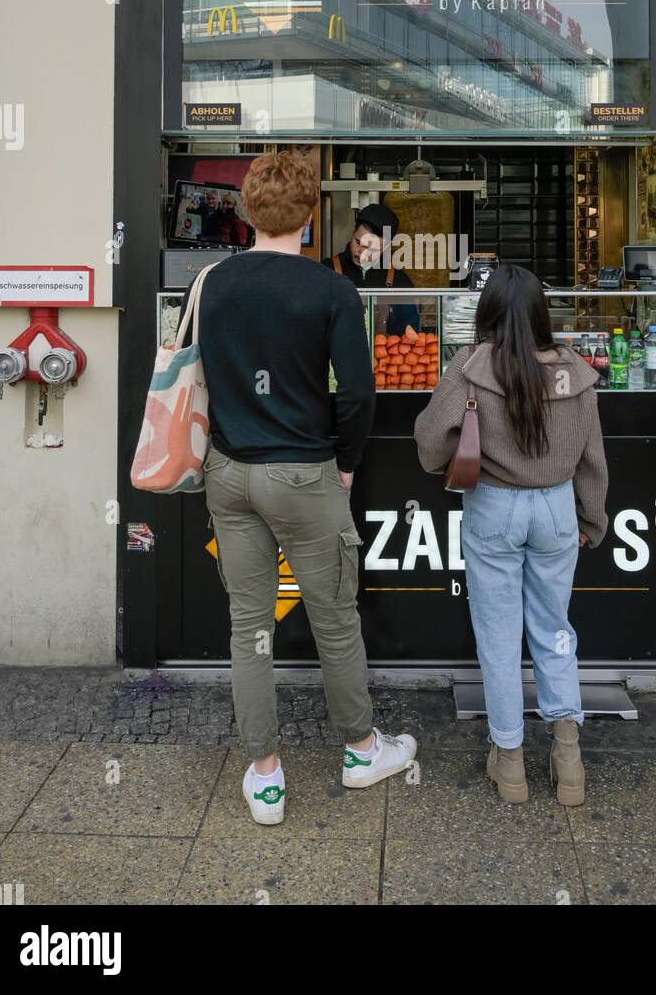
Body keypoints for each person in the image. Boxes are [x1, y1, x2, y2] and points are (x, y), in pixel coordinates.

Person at [179, 150, 417, 826]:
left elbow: (196, 373)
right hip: (302, 471)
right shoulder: (330, 291)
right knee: (334, 620)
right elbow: (358, 394)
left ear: (247, 212)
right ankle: (361, 750)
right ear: (310, 217)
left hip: (227, 473)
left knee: (248, 629)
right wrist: (343, 461)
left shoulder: (211, 284)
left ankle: (265, 778)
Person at [413, 263, 609, 808]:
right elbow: (593, 459)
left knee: (498, 640)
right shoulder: (577, 371)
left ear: (488, 313)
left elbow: (430, 443)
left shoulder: (471, 365)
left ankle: (511, 764)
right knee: (554, 630)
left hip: (494, 509)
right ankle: (569, 762)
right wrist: (591, 520)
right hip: (557, 509)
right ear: (543, 313)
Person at [323, 202, 419, 338]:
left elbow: (411, 334)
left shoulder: (399, 280)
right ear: (353, 232)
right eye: (358, 243)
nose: (362, 253)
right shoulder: (327, 271)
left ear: (386, 248)